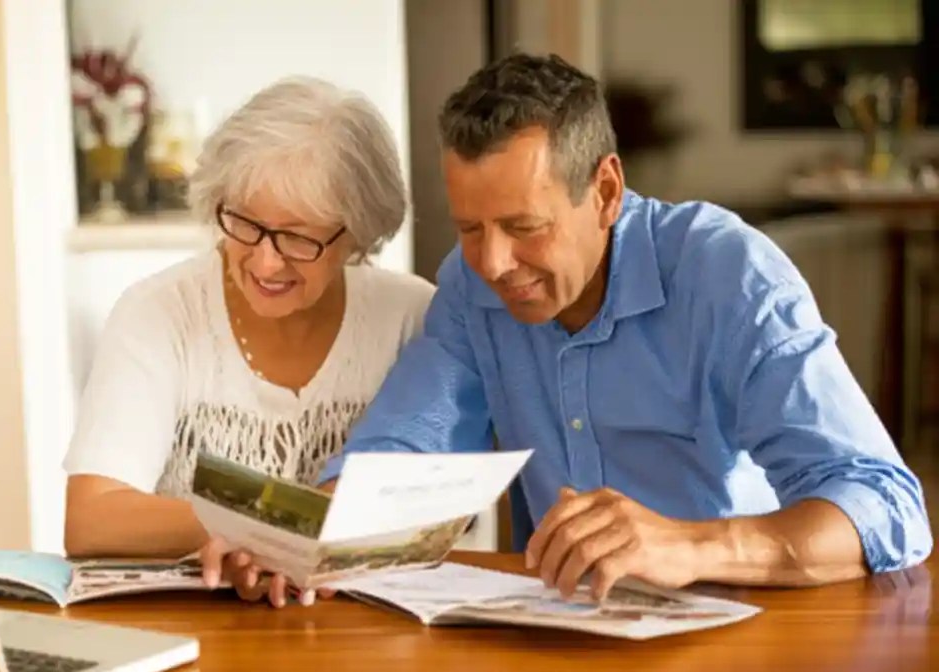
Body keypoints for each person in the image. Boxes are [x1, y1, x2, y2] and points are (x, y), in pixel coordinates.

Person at [321, 52, 932, 602]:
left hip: (749, 638)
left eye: (524, 227)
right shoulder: (468, 284)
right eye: (471, 229)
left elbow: (886, 506)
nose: (494, 263)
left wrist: (689, 546)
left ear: (606, 191)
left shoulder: (728, 275)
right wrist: (291, 537)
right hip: (559, 640)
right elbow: (399, 459)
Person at [62, 77, 435, 607]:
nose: (263, 261)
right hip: (196, 635)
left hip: (364, 637)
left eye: (298, 238)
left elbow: (439, 507)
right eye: (243, 222)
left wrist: (273, 531)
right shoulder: (158, 313)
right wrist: (258, 528)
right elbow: (91, 520)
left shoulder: (410, 316)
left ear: (358, 232)